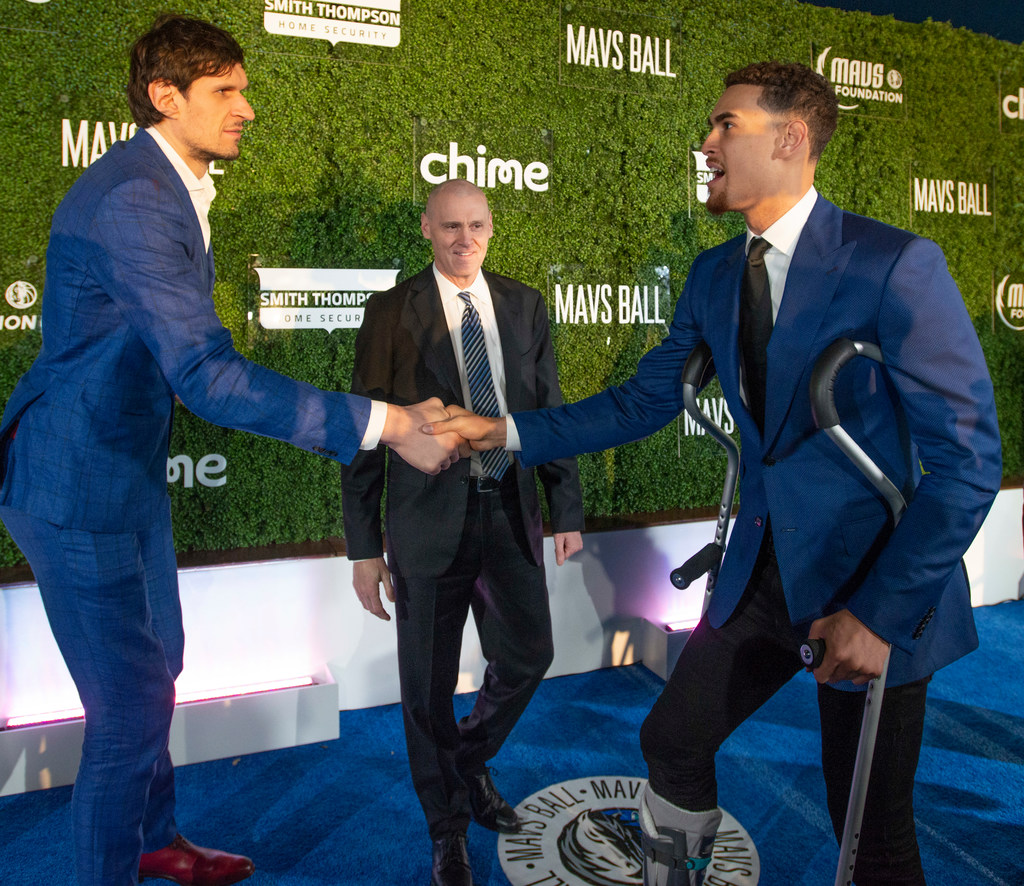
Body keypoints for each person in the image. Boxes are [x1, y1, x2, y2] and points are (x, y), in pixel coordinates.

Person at [425, 62, 1002, 885]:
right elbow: (639, 404)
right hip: (762, 576)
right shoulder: (714, 275)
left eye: (727, 124)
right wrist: (505, 428)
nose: (706, 141)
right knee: (671, 740)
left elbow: (970, 464)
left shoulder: (895, 264)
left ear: (792, 139)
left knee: (868, 834)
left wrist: (877, 615)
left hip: (873, 587)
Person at [0, 15, 463, 886]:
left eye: (244, 87)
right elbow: (207, 377)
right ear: (163, 97)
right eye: (225, 91)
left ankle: (154, 841)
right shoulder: (135, 197)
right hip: (72, 487)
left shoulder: (167, 182)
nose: (247, 107)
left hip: (126, 477)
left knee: (160, 669)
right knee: (130, 711)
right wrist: (391, 423)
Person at [340, 178, 584, 886]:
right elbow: (362, 430)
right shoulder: (391, 312)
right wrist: (362, 547)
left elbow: (548, 409)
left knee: (530, 655)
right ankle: (446, 827)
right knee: (426, 686)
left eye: (476, 225)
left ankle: (466, 762)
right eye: (450, 226)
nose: (464, 239)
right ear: (426, 228)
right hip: (425, 524)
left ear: (492, 226)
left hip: (510, 510)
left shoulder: (524, 304)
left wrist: (565, 507)